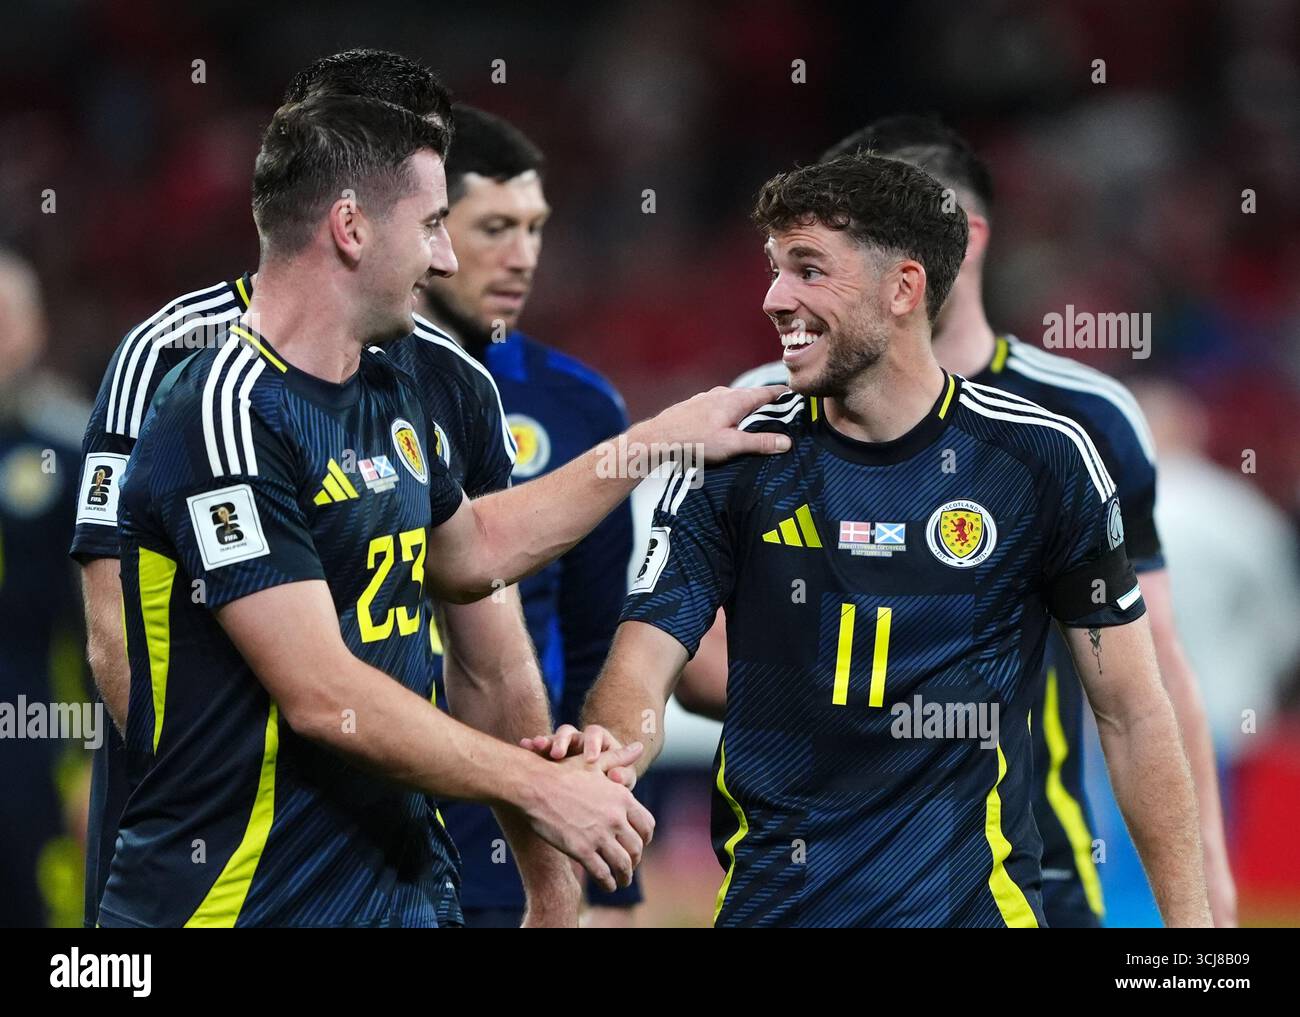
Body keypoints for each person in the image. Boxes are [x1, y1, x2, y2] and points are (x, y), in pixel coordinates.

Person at [96, 93, 784, 928]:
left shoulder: (400, 387)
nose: (448, 260)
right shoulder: (224, 407)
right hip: (237, 897)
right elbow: (318, 689)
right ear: (351, 227)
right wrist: (540, 787)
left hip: (403, 892)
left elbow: (475, 554)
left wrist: (658, 441)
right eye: (431, 226)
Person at [528, 153, 1211, 927]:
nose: (774, 297)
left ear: (903, 289)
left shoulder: (1042, 459)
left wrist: (1189, 939)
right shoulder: (734, 457)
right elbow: (642, 665)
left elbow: (1129, 710)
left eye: (808, 269)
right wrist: (612, 761)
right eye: (774, 268)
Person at [74, 49, 563, 928]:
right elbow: (116, 636)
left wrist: (551, 893)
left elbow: (490, 648)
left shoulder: (449, 384)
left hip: (400, 867)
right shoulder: (172, 358)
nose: (443, 246)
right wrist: (220, 804)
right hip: (211, 862)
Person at [418, 104, 641, 927]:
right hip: (349, 828)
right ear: (429, 227)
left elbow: (596, 646)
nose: (522, 257)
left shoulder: (581, 407)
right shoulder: (327, 394)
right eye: (495, 227)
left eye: (536, 228)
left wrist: (611, 881)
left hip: (512, 848)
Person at [0, 252, 91, 926]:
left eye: (4, 320)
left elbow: (102, 621)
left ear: (35, 330)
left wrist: (97, 760)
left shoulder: (72, 449)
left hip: (35, 725)